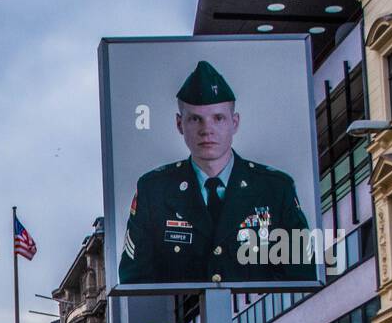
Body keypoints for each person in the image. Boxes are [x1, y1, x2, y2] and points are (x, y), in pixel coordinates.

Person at [118, 60, 315, 286]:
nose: (206, 130)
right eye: (195, 119)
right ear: (179, 124)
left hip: (261, 319)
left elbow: (302, 275)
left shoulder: (275, 189)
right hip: (186, 320)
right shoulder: (154, 191)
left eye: (218, 118)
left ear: (235, 122)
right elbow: (134, 280)